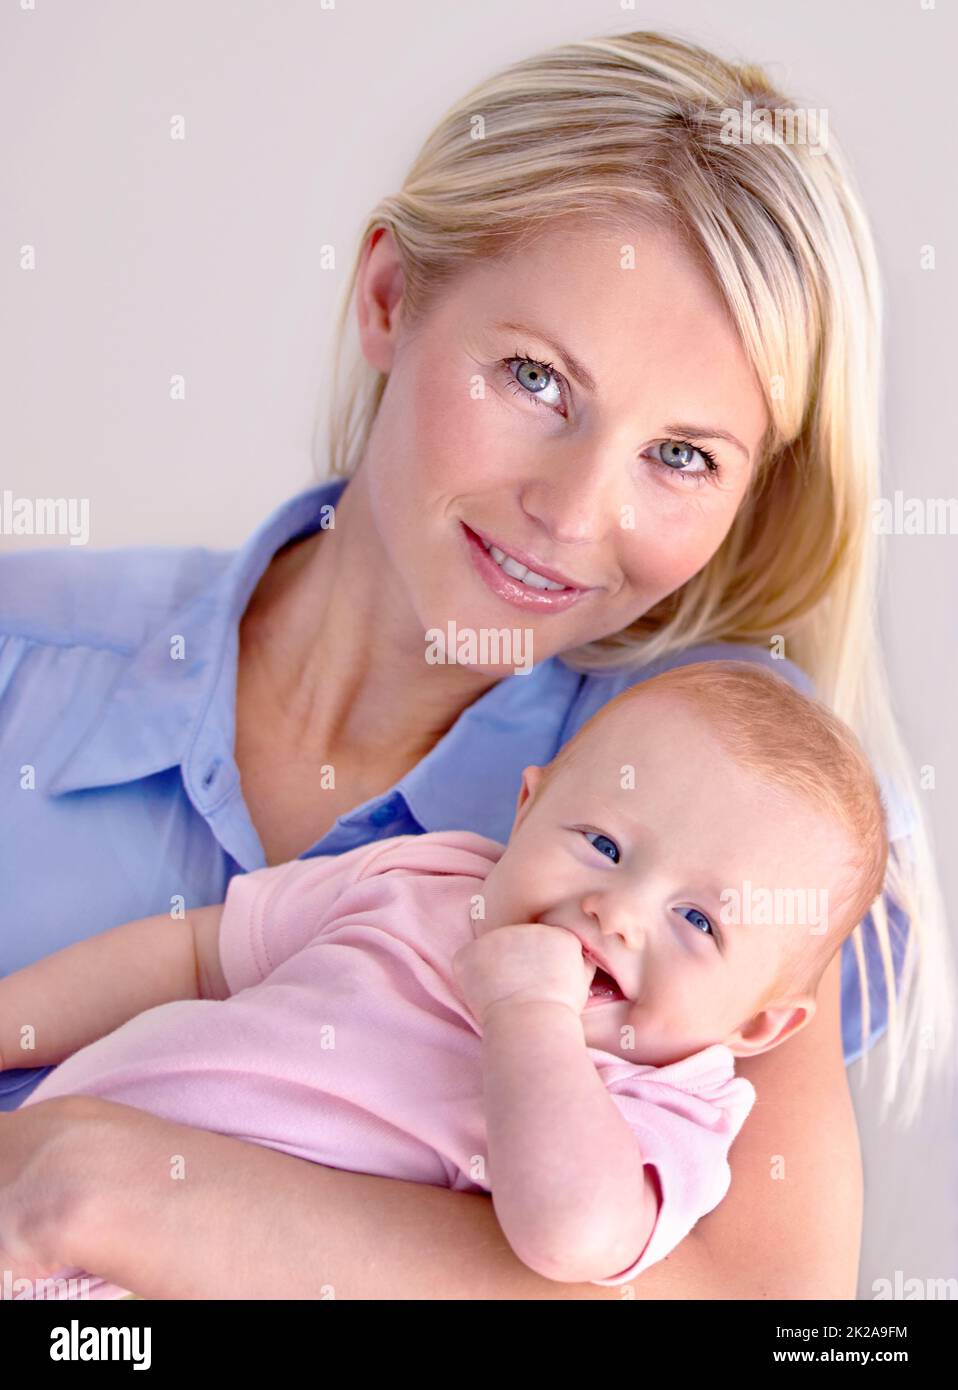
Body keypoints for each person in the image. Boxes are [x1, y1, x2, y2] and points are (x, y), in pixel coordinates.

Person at [0, 30, 951, 1300]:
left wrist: (111, 1188)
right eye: (536, 378)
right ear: (391, 297)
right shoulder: (26, 659)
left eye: (681, 456)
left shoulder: (737, 801)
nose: (570, 511)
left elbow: (774, 1327)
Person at [5, 662, 889, 1298]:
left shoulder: (669, 1104)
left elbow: (570, 1239)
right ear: (527, 807)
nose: (616, 912)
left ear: (760, 1029)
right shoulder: (424, 879)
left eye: (698, 921)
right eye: (605, 847)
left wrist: (528, 1016)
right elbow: (199, 952)